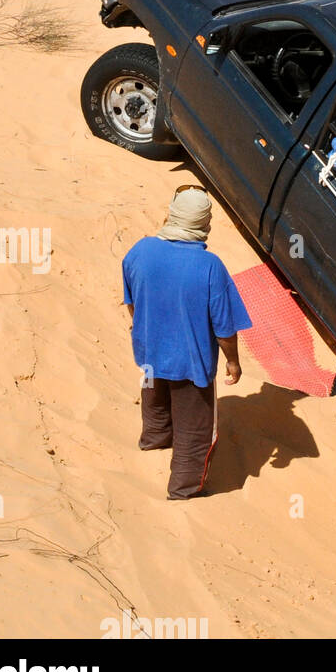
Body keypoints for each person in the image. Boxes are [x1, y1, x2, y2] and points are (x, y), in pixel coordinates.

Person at [122, 186, 252, 500]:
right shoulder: (210, 267)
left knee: (155, 400)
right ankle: (184, 490)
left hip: (150, 353)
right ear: (204, 224)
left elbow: (132, 302)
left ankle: (153, 441)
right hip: (191, 364)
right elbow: (224, 329)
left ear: (172, 213)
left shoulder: (139, 251)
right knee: (194, 433)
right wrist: (233, 362)